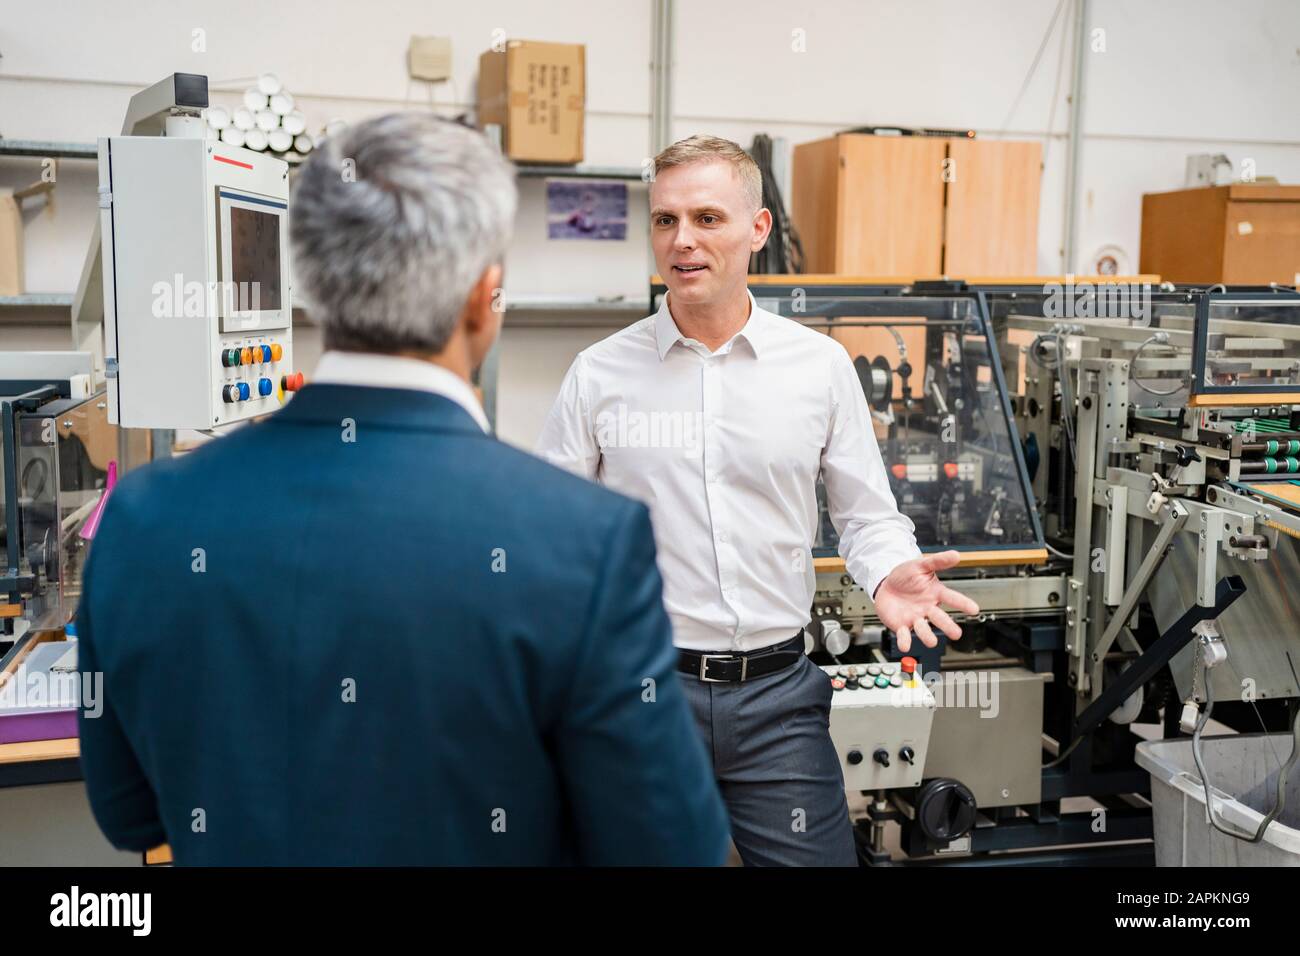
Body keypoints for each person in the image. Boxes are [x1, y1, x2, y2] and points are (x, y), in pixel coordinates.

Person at [76, 114, 729, 866]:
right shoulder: (586, 541)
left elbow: (128, 815)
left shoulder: (144, 519)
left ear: (315, 289)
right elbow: (670, 847)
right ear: (488, 297)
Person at [537, 135, 979, 866]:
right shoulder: (598, 375)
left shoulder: (818, 367)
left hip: (779, 701)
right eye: (665, 220)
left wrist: (888, 569)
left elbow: (866, 513)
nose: (683, 241)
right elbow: (554, 534)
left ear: (758, 230)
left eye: (708, 218)